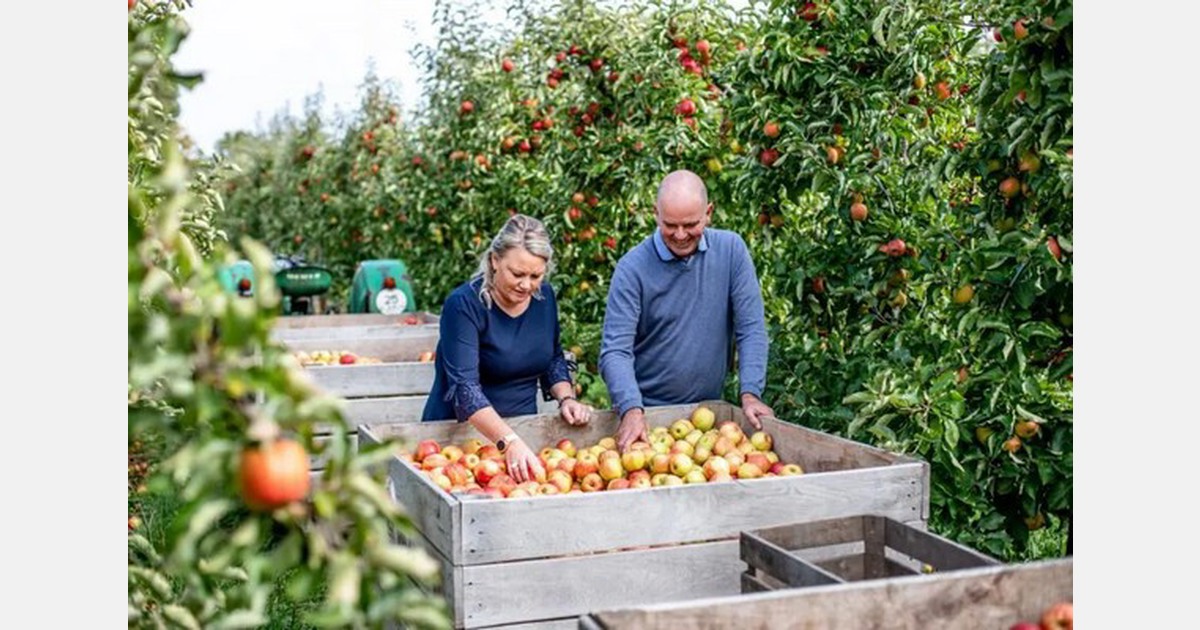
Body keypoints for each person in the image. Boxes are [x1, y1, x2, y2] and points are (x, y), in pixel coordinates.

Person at [599, 169, 774, 452]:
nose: (680, 235)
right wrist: (631, 408)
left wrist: (751, 393)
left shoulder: (731, 252)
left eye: (690, 224)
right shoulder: (632, 269)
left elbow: (751, 329)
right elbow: (615, 350)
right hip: (646, 421)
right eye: (670, 225)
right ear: (656, 214)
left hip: (709, 421)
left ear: (708, 213)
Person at [422, 214, 592, 482]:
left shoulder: (543, 298)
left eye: (536, 275)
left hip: (524, 436)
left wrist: (566, 398)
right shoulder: (463, 306)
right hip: (460, 444)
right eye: (518, 274)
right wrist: (508, 441)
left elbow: (552, 358)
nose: (527, 285)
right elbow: (465, 390)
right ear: (494, 260)